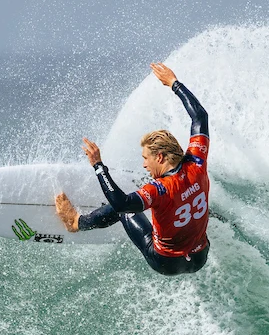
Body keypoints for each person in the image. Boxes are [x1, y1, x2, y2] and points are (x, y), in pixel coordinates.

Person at [55, 63, 210, 276]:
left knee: (126, 209)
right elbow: (200, 117)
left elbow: (121, 204)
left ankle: (75, 222)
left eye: (146, 158)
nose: (144, 164)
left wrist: (98, 166)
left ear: (160, 157)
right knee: (173, 205)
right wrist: (174, 83)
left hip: (166, 262)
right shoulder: (198, 162)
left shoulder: (159, 189)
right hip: (200, 257)